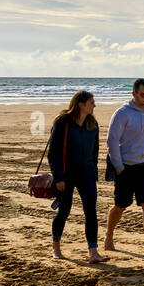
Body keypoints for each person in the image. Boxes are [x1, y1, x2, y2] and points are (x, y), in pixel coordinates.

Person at [104, 78, 144, 256]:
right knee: (120, 205)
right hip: (126, 167)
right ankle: (108, 237)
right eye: (143, 94)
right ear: (134, 94)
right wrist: (118, 166)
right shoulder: (122, 113)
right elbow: (112, 141)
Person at [48, 90, 108, 263]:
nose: (94, 105)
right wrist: (58, 177)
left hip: (87, 175)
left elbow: (95, 151)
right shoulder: (63, 122)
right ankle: (56, 248)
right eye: (91, 102)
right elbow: (54, 153)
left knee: (91, 212)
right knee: (64, 211)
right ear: (80, 104)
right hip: (66, 176)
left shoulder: (92, 124)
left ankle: (93, 252)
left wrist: (94, 172)